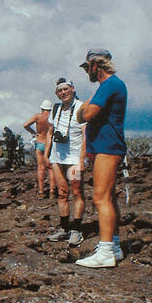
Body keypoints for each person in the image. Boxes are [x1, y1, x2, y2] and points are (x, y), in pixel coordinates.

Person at [75, 49, 128, 268]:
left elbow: (85, 115)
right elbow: (83, 115)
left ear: (96, 65)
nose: (87, 71)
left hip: (108, 146)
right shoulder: (108, 87)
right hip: (106, 146)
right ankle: (114, 246)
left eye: (88, 67)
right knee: (110, 197)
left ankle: (105, 251)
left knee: (101, 198)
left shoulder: (110, 85)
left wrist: (85, 106)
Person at [45, 79, 87, 247]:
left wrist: (81, 160)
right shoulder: (55, 109)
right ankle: (64, 229)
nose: (63, 93)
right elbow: (49, 133)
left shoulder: (81, 107)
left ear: (72, 89)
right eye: (59, 91)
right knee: (62, 193)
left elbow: (86, 136)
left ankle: (76, 230)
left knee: (77, 192)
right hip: (57, 157)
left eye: (65, 89)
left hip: (74, 158)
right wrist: (47, 155)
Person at [23, 99, 54, 198]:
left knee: (40, 168)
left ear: (42, 108)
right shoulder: (53, 117)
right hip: (50, 144)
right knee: (51, 169)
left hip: (40, 142)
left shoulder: (38, 116)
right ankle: (52, 192)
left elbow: (25, 125)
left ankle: (41, 192)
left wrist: (34, 133)